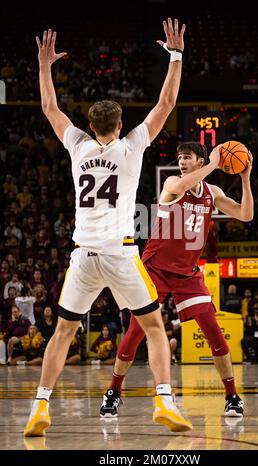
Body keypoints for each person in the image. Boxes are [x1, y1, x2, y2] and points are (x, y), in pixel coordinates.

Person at [24, 19, 192, 438]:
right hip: (121, 252)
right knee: (154, 327)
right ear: (119, 126)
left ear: (91, 126)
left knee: (63, 332)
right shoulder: (133, 145)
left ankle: (40, 406)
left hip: (83, 255)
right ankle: (164, 401)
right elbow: (167, 102)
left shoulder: (77, 145)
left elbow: (49, 108)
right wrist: (176, 55)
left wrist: (45, 66)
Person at [100, 140, 253, 419]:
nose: (181, 161)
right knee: (136, 332)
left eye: (187, 157)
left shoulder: (212, 192)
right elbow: (182, 186)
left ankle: (232, 396)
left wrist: (245, 177)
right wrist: (215, 164)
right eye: (180, 157)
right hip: (155, 268)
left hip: (187, 272)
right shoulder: (172, 182)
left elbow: (245, 214)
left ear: (199, 160)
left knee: (213, 331)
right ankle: (113, 391)